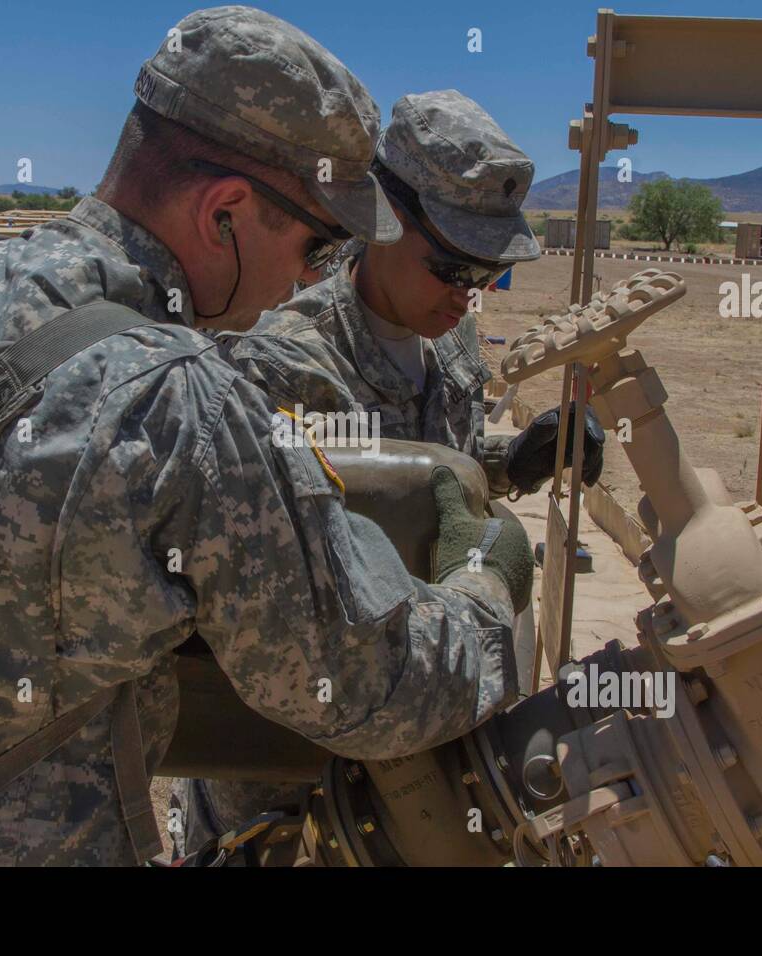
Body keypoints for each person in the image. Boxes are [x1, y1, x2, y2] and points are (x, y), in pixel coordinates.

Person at [0, 7, 531, 867]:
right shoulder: (174, 402)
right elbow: (366, 685)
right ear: (224, 212)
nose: (311, 279)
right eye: (318, 245)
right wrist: (484, 591)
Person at [171, 90, 604, 859]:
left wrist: (510, 464)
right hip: (294, 776)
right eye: (450, 267)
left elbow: (426, 485)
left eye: (487, 273)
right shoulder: (285, 363)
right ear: (380, 221)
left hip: (423, 744)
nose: (466, 295)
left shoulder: (451, 343)